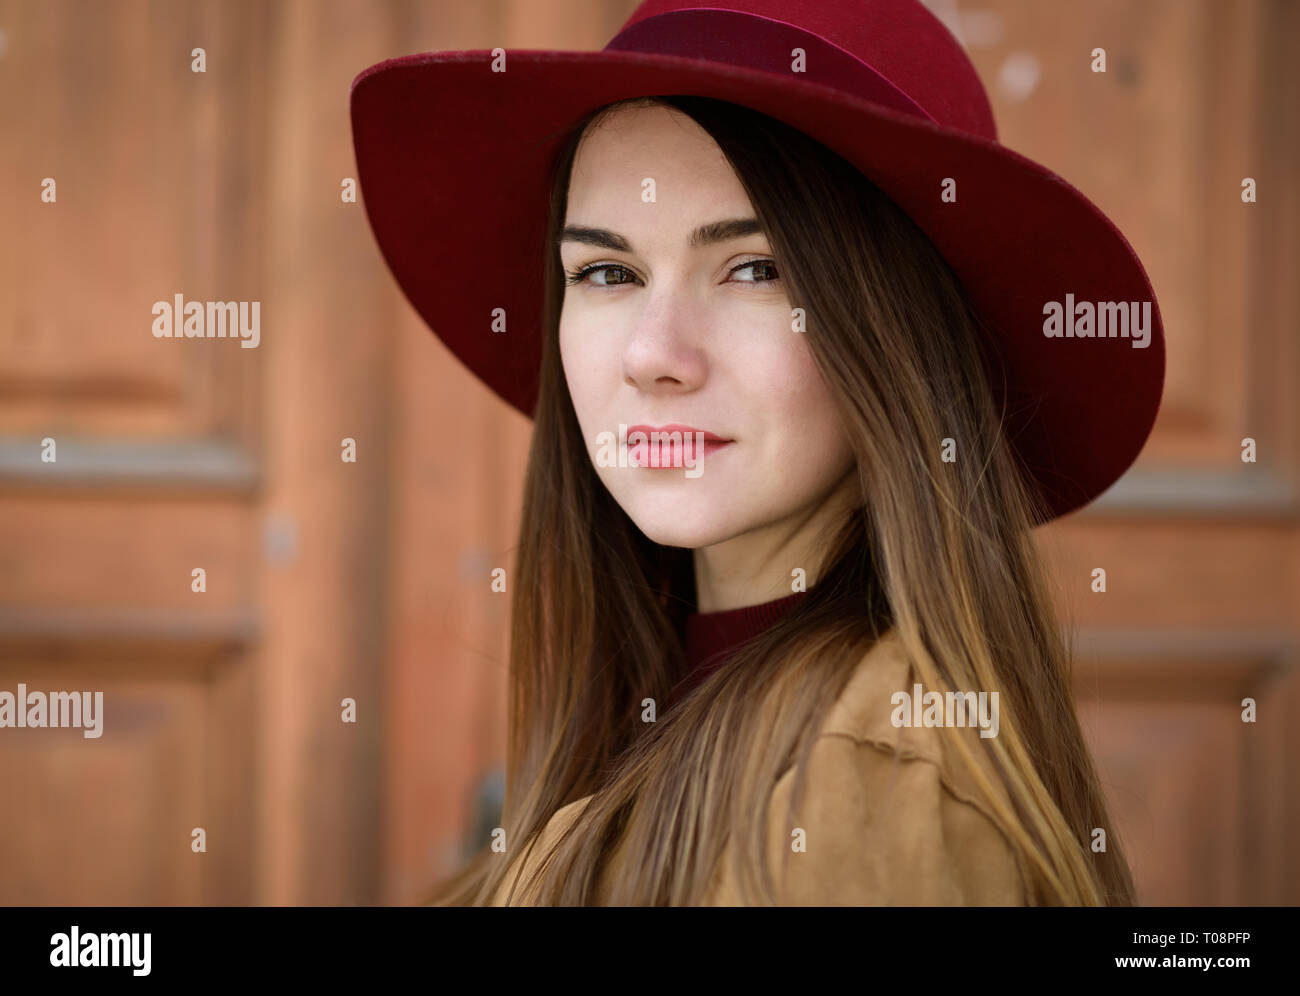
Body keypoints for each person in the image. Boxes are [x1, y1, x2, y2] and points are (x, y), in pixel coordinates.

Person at [349, 0, 1164, 906]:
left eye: (754, 268)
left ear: (893, 331)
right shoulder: (639, 721)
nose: (654, 355)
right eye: (607, 272)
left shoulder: (876, 776)